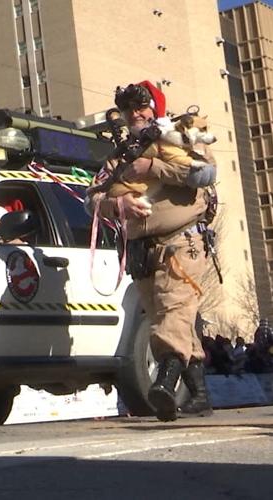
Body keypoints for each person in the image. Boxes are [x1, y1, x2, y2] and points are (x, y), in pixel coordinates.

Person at [85, 81, 217, 421]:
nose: (136, 114)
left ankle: (165, 382)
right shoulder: (121, 155)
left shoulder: (179, 137)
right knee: (167, 318)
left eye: (142, 107)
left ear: (156, 108)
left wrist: (153, 168)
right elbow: (92, 198)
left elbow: (205, 174)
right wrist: (119, 203)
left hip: (181, 242)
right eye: (130, 110)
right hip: (143, 249)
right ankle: (199, 394)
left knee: (175, 310)